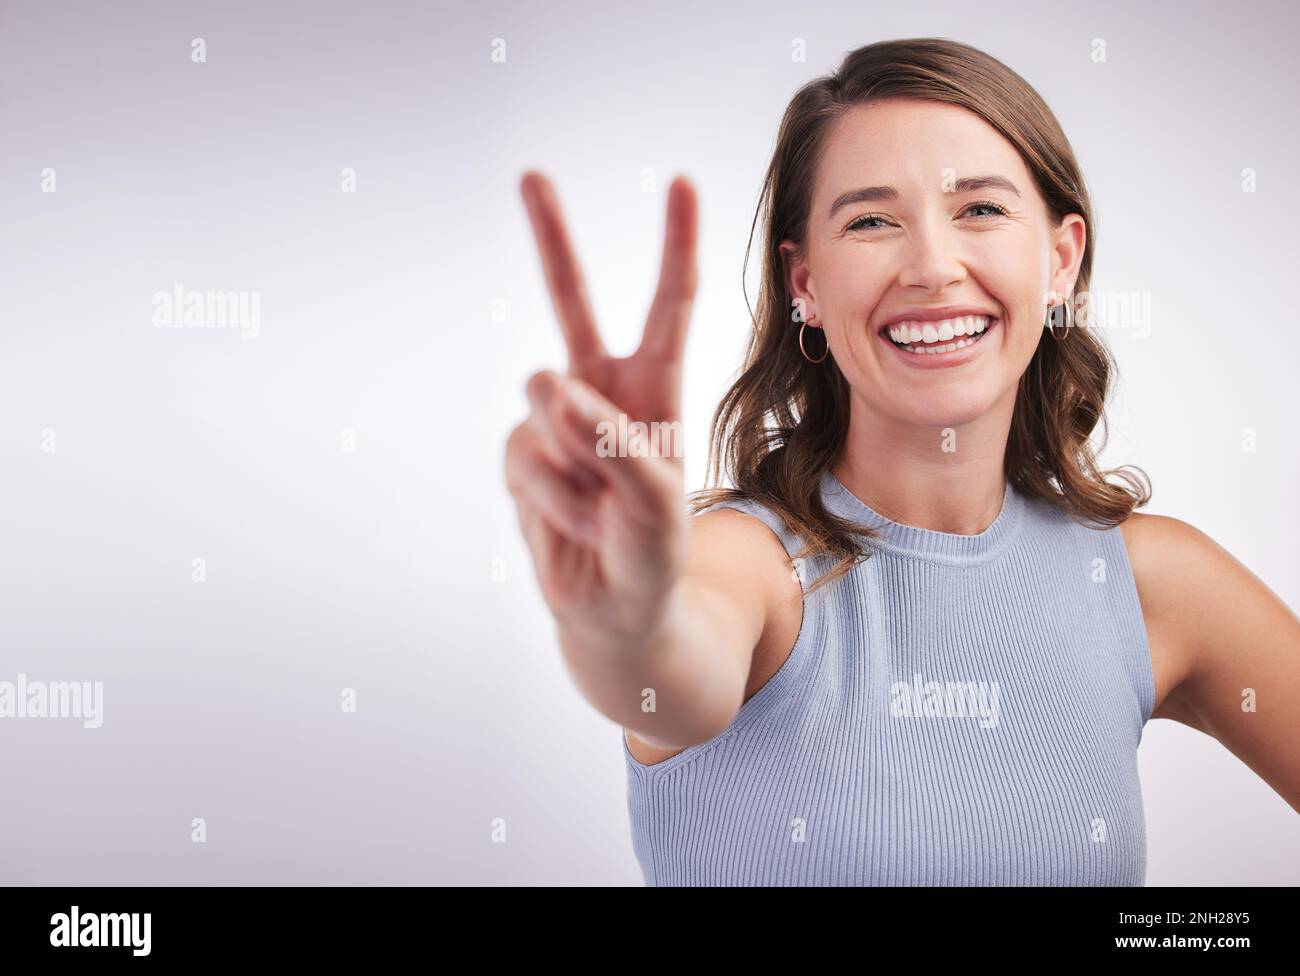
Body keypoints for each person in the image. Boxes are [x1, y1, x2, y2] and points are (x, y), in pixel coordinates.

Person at [504, 37, 1300, 886]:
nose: (931, 267)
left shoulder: (1147, 583)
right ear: (803, 282)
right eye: (871, 221)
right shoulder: (754, 571)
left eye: (982, 210)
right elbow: (662, 671)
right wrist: (620, 620)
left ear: (1060, 259)